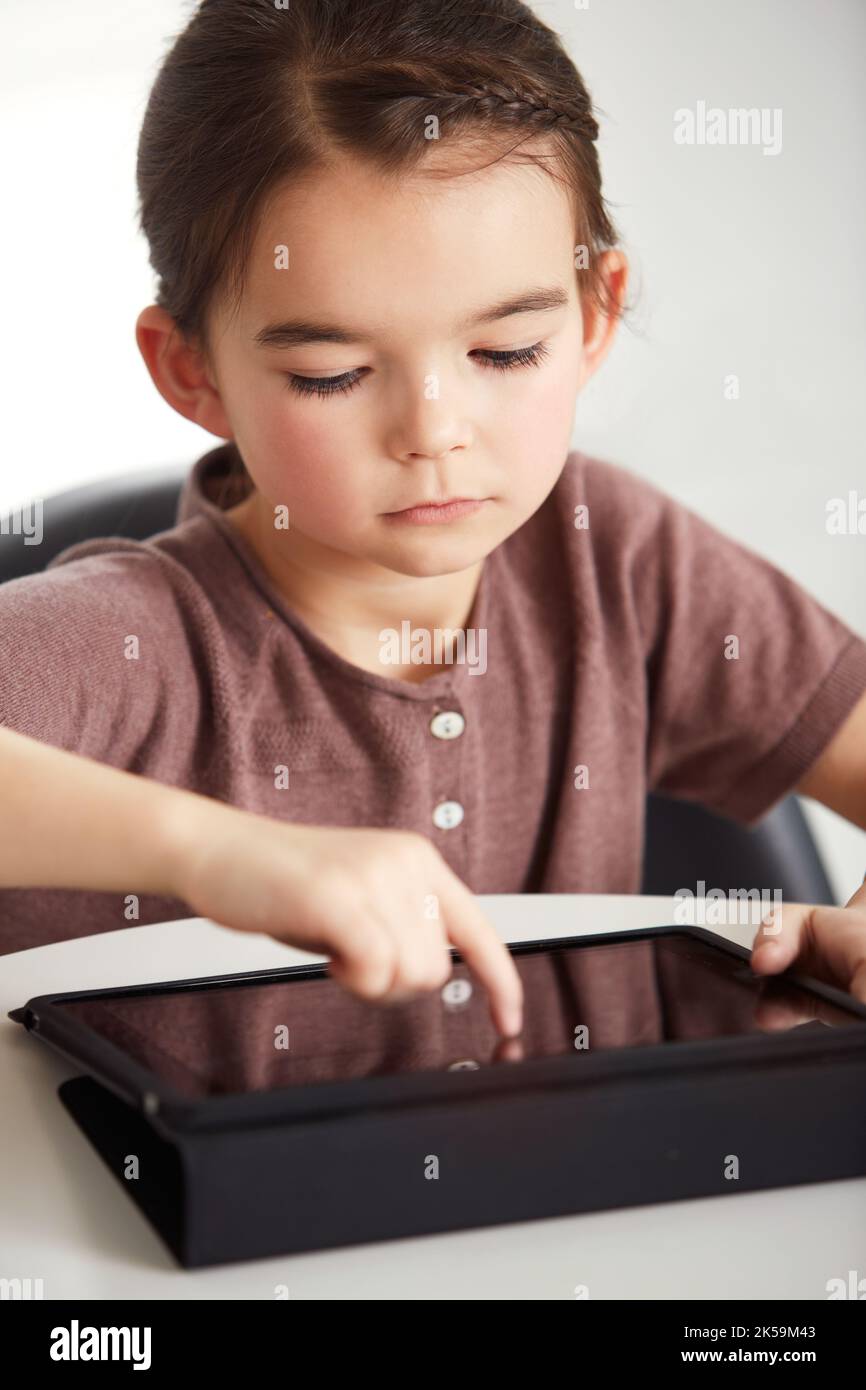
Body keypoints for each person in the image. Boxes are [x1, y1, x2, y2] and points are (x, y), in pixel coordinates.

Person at [2, 0, 866, 1034]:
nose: (433, 430)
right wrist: (216, 852)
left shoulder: (614, 558)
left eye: (503, 353)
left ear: (593, 316)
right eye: (333, 373)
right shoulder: (132, 643)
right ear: (194, 372)